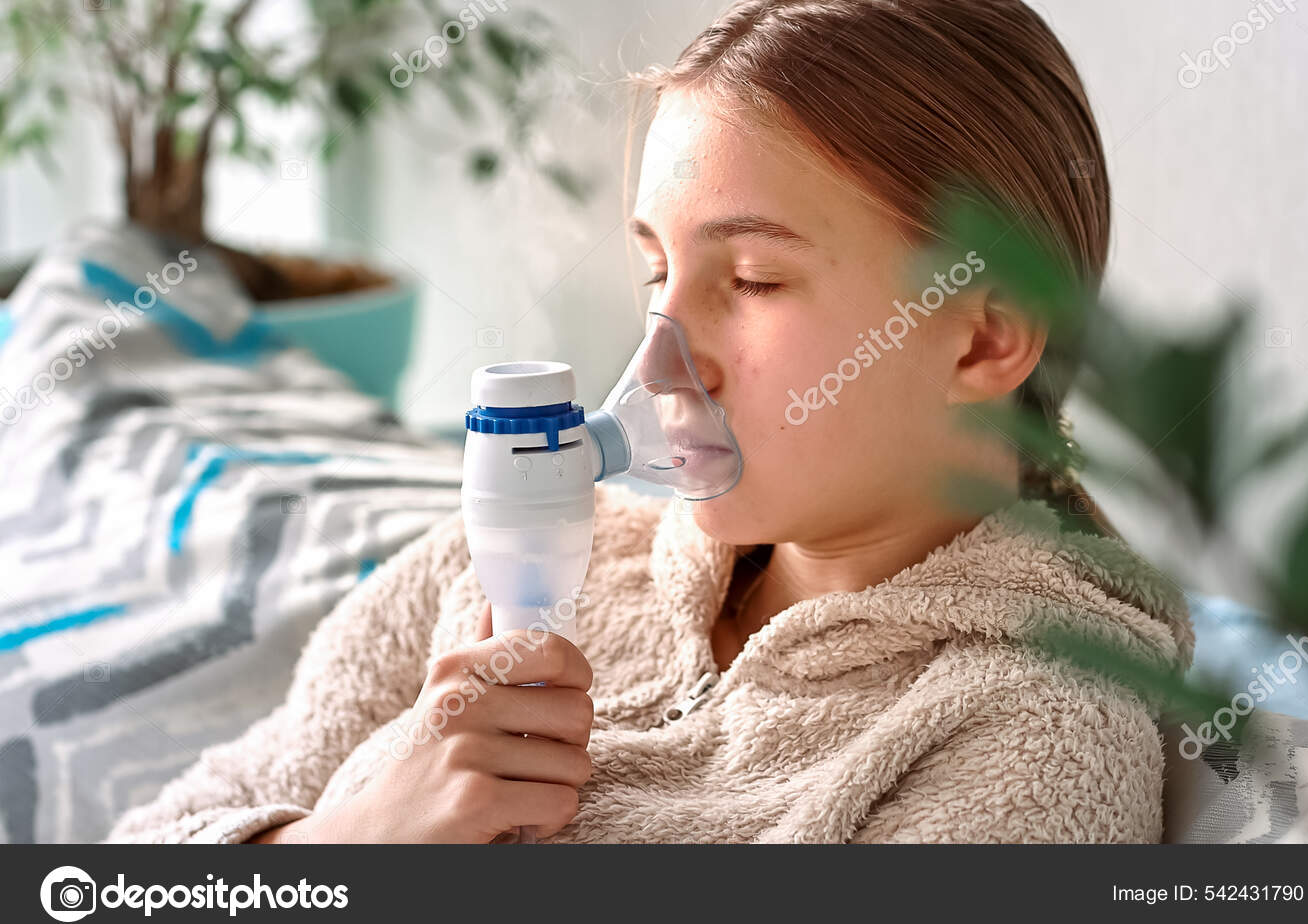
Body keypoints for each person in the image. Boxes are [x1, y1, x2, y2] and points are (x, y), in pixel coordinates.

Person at [109, 0, 1192, 845]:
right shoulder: (503, 570)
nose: (660, 357)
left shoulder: (1028, 725)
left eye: (754, 277)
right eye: (655, 272)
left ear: (983, 337)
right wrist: (341, 838)